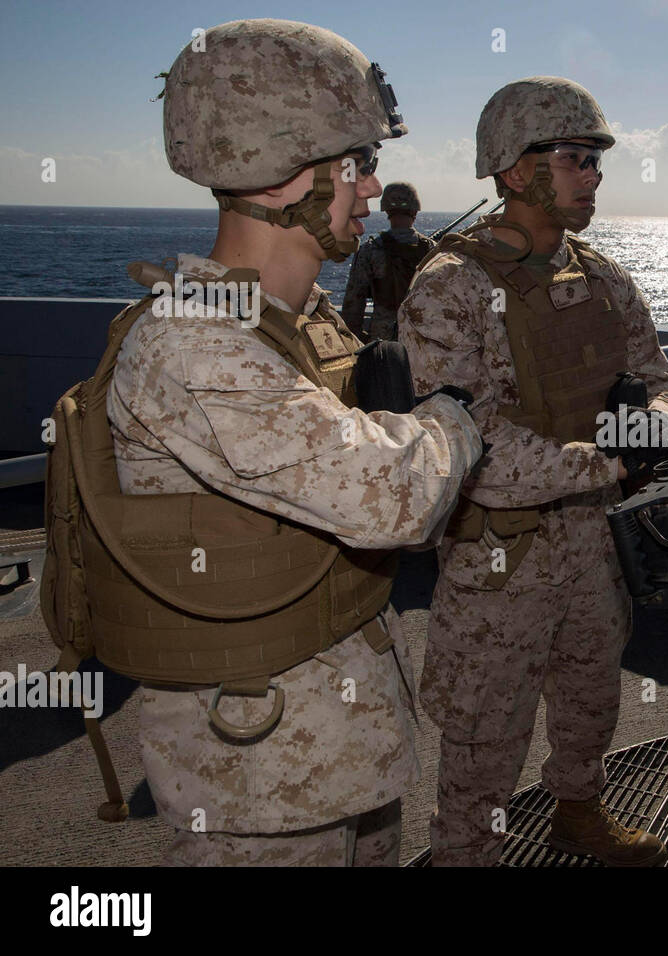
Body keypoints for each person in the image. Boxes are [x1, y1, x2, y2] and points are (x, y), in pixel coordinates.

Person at [87, 19, 481, 865]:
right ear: (289, 174)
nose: (374, 190)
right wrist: (456, 411)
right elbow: (397, 498)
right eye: (360, 164)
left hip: (343, 742)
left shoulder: (292, 321)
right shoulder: (191, 343)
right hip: (259, 770)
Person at [399, 76, 668, 866]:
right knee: (484, 734)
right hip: (501, 556)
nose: (592, 174)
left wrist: (659, 421)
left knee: (593, 699)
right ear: (516, 169)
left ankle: (578, 814)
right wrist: (616, 459)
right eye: (574, 157)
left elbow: (658, 374)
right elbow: (477, 449)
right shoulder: (448, 289)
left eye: (595, 159)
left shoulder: (601, 278)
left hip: (593, 543)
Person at [342, 182, 434, 342]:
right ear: (414, 210)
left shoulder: (370, 250)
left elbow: (353, 303)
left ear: (387, 210)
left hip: (382, 339)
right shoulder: (431, 250)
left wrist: (353, 342)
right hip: (423, 338)